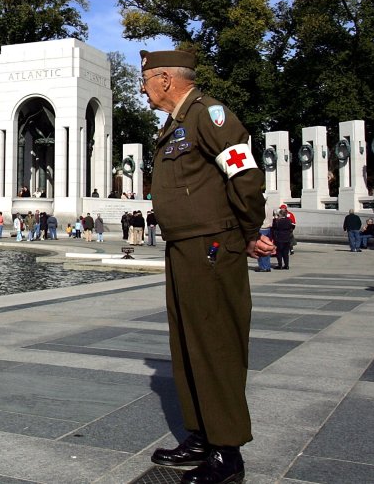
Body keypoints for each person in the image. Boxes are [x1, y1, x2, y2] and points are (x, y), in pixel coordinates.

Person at [139, 49, 273, 484]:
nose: (142, 87)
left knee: (215, 342)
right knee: (188, 344)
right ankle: (200, 436)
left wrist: (249, 230)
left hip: (212, 245)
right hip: (184, 246)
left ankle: (227, 451)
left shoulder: (209, 114)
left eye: (145, 79)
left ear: (164, 79)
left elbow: (245, 175)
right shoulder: (176, 121)